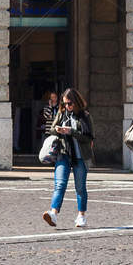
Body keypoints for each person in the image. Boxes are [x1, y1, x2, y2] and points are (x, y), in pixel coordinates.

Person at [41, 87, 93, 229]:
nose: (67, 106)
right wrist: (57, 130)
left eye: (69, 103)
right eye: (64, 104)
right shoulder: (62, 113)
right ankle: (53, 213)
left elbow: (89, 137)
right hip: (63, 154)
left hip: (80, 156)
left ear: (76, 102)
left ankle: (81, 216)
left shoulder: (85, 116)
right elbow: (51, 128)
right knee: (59, 185)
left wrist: (72, 132)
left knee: (80, 187)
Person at [37, 90, 60, 155]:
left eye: (55, 97)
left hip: (57, 130)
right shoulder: (46, 107)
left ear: (57, 98)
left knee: (57, 146)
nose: (53, 99)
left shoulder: (59, 107)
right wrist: (50, 106)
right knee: (49, 146)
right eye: (52, 97)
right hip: (49, 130)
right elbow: (46, 116)